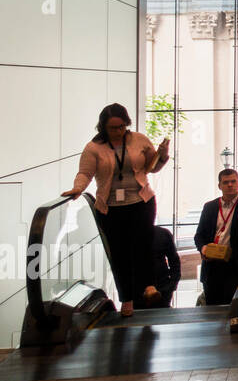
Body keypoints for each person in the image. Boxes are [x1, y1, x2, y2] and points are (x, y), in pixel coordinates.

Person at [63, 103, 170, 317]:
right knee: (120, 255)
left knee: (143, 245)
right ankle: (127, 299)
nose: (118, 131)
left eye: (121, 126)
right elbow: (85, 173)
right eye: (113, 128)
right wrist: (78, 188)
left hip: (141, 201)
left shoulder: (138, 139)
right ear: (103, 127)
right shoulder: (93, 148)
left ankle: (148, 287)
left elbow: (152, 167)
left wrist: (162, 155)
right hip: (110, 208)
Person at [195, 168, 238, 306]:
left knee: (233, 309)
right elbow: (199, 235)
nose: (230, 185)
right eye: (226, 182)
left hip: (233, 267)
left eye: (233, 181)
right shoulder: (209, 207)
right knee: (212, 310)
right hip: (211, 266)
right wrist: (203, 248)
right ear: (219, 186)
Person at [141, 225, 182, 308]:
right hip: (138, 294)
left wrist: (171, 287)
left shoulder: (163, 234)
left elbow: (175, 262)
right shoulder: (130, 236)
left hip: (163, 291)